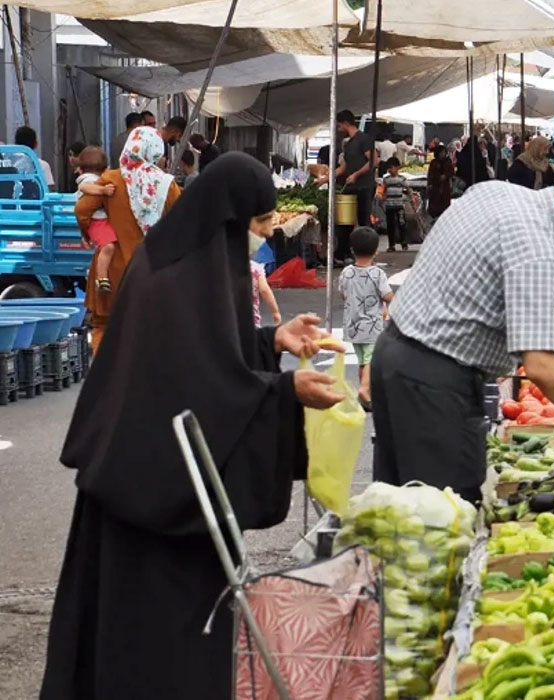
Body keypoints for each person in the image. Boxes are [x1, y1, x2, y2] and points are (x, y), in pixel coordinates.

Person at [40, 152, 345, 700]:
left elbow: (206, 359)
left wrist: (269, 340)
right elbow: (200, 390)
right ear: (228, 220)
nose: (265, 237)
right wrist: (283, 391)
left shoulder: (188, 266)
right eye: (258, 226)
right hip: (153, 506)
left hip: (147, 487)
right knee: (158, 654)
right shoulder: (177, 281)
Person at [371, 166, 554, 502]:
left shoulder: (496, 192)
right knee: (442, 518)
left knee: (397, 509)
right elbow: (543, 367)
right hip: (434, 382)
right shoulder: (540, 251)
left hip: (393, 354)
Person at [76, 127, 182, 352]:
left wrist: (92, 234)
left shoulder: (110, 179)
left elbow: (82, 209)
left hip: (111, 273)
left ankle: (104, 380)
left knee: (103, 328)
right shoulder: (167, 185)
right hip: (152, 273)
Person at [340, 226, 394, 407]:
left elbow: (343, 294)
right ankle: (364, 388)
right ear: (376, 251)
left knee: (363, 361)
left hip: (353, 325)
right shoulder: (378, 274)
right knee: (372, 359)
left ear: (352, 250)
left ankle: (365, 396)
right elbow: (386, 295)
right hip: (371, 326)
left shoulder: (346, 272)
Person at [75, 148, 119, 294]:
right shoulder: (91, 179)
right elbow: (84, 186)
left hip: (100, 221)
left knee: (108, 246)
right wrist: (102, 191)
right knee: (108, 247)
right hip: (97, 221)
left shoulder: (95, 178)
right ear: (105, 169)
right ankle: (101, 278)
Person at [333, 110, 376, 230]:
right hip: (352, 187)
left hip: (364, 187)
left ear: (346, 123)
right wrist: (326, 178)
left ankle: (367, 247)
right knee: (345, 221)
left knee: (363, 221)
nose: (338, 129)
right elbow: (343, 167)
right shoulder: (349, 143)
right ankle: (345, 248)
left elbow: (373, 161)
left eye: (339, 125)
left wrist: (356, 175)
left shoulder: (364, 139)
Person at [15, 125, 55, 191]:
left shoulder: (9, 165)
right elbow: (49, 191)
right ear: (36, 144)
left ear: (15, 144)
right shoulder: (43, 166)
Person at [382, 157, 409, 251]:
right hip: (389, 205)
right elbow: (384, 190)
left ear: (397, 167)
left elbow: (408, 189)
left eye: (391, 167)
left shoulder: (402, 179)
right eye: (388, 168)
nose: (390, 170)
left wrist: (412, 198)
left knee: (401, 224)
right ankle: (391, 244)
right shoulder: (386, 179)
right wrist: (383, 198)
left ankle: (403, 242)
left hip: (399, 205)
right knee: (390, 225)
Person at [250, 255, 281, 326]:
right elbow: (265, 290)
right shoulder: (255, 268)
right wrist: (275, 311)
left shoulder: (224, 268)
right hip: (251, 317)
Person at [426, 144, 453, 221]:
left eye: (444, 152)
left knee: (445, 201)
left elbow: (451, 171)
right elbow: (430, 173)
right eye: (441, 152)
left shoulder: (448, 161)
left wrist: (445, 175)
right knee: (435, 201)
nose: (443, 154)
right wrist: (429, 184)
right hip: (435, 185)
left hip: (445, 186)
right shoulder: (434, 162)